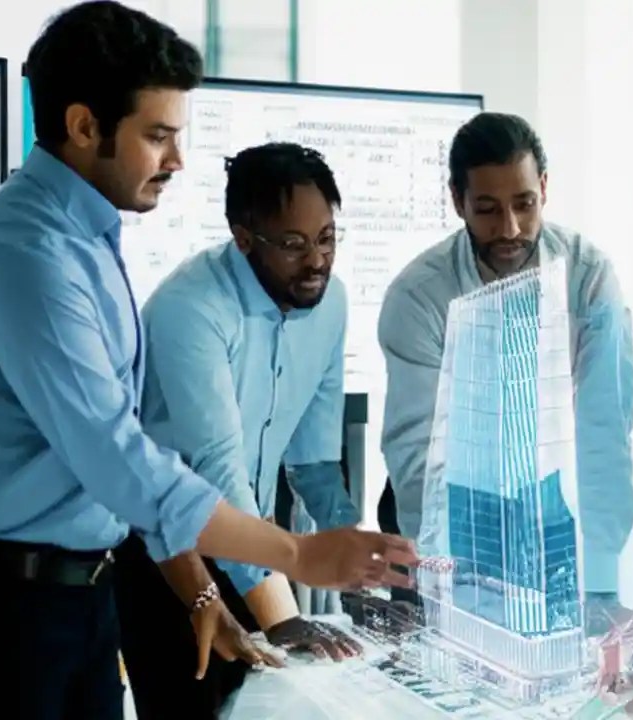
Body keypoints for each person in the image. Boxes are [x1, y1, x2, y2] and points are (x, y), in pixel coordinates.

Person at [0, 4, 415, 718]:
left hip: (74, 598)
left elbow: (126, 465)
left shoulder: (90, 240)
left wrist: (202, 594)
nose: (176, 160)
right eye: (158, 135)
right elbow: (118, 460)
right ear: (83, 127)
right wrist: (294, 552)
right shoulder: (30, 255)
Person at [113, 142, 365, 719]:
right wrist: (279, 612)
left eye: (326, 238)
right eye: (294, 245)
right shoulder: (192, 306)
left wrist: (359, 563)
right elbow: (220, 469)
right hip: (170, 556)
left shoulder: (332, 302)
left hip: (252, 545)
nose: (317, 261)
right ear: (244, 236)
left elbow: (314, 458)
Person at [378, 111, 633, 631]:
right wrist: (446, 586)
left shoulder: (588, 277)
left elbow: (605, 432)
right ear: (458, 201)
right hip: (446, 501)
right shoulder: (418, 297)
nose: (510, 229)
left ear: (543, 188)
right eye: (488, 210)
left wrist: (604, 583)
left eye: (525, 204)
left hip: (553, 496)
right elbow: (419, 458)